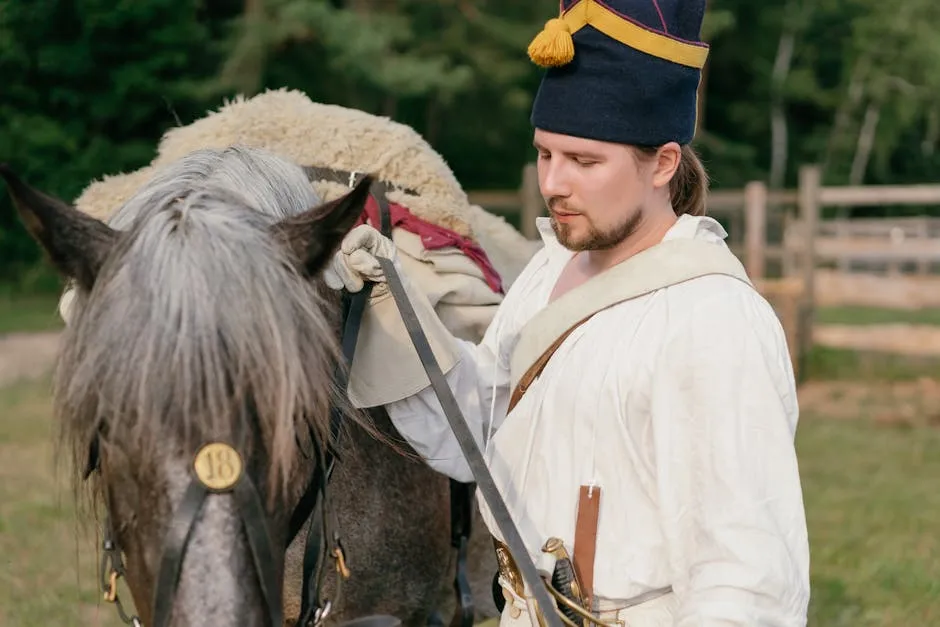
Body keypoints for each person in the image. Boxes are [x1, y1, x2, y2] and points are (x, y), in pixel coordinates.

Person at [323, 0, 811, 625]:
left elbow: (748, 582)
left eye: (584, 161)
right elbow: (480, 431)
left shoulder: (712, 321)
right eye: (546, 154)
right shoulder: (550, 270)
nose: (554, 183)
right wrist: (399, 314)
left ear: (663, 163)